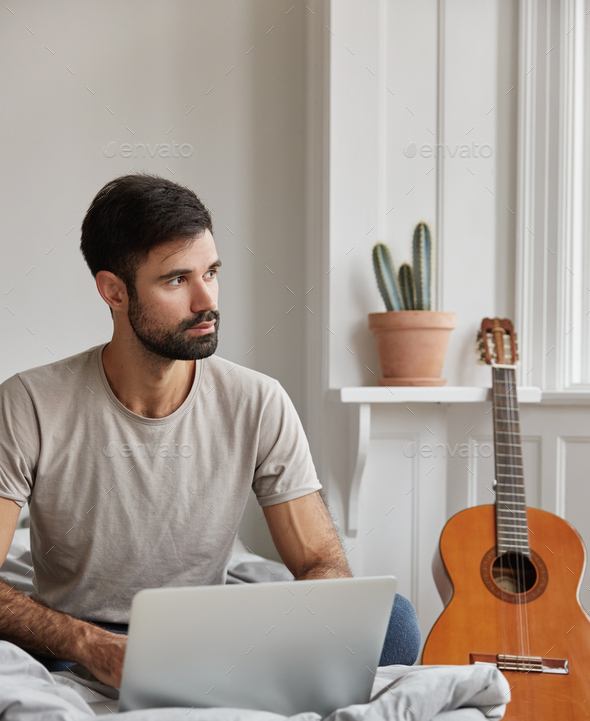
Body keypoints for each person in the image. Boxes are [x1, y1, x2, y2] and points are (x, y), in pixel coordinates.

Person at [0, 173, 421, 688]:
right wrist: (93, 646)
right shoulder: (29, 402)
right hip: (75, 640)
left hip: (207, 630)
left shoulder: (258, 400)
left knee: (394, 622)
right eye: (177, 280)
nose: (207, 302)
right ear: (113, 291)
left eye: (212, 273)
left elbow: (319, 563)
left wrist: (296, 626)